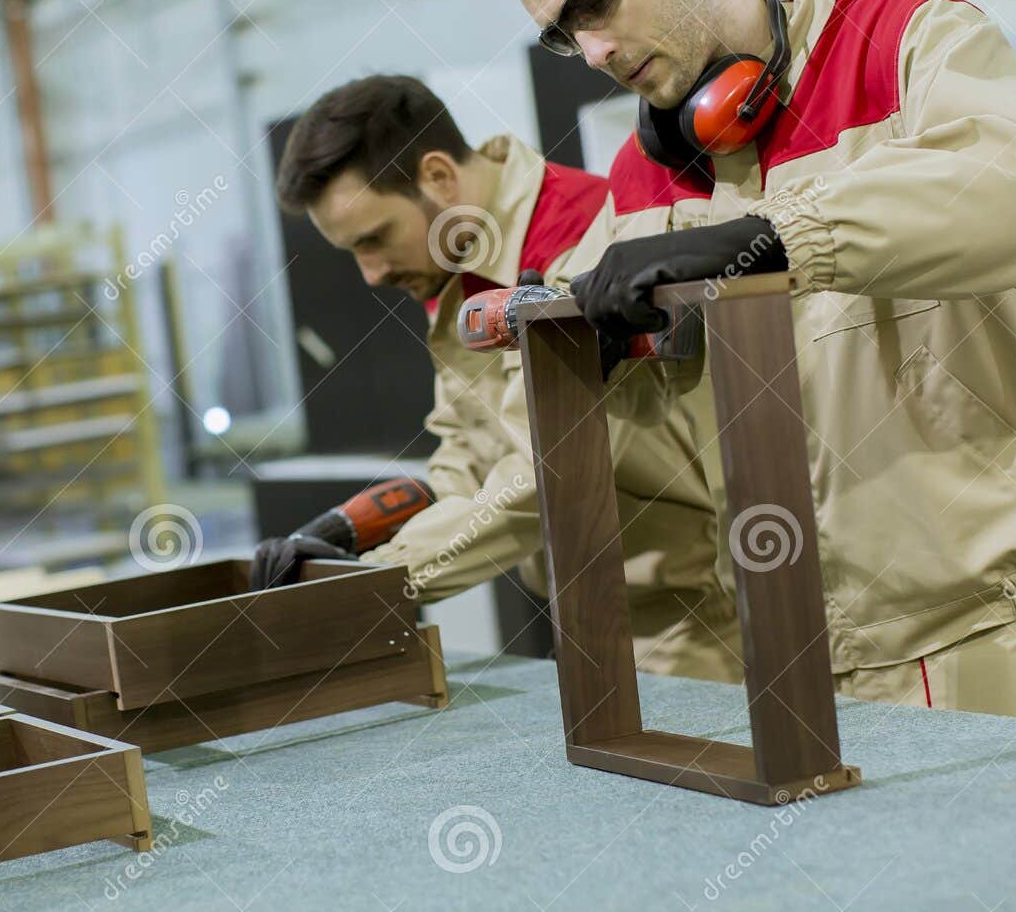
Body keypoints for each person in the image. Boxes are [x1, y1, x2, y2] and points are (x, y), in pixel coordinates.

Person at [486, 0, 1016, 728]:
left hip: (995, 639)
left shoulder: (908, 39)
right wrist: (597, 364)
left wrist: (768, 236)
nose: (590, 49)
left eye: (594, 0)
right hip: (796, 656)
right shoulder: (645, 175)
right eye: (561, 32)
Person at [255, 74, 741, 682]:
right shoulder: (452, 263)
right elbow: (466, 449)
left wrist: (383, 578)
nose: (371, 274)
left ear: (437, 178)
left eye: (375, 239)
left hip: (699, 616)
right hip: (601, 604)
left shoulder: (584, 241)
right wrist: (351, 536)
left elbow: (550, 467)